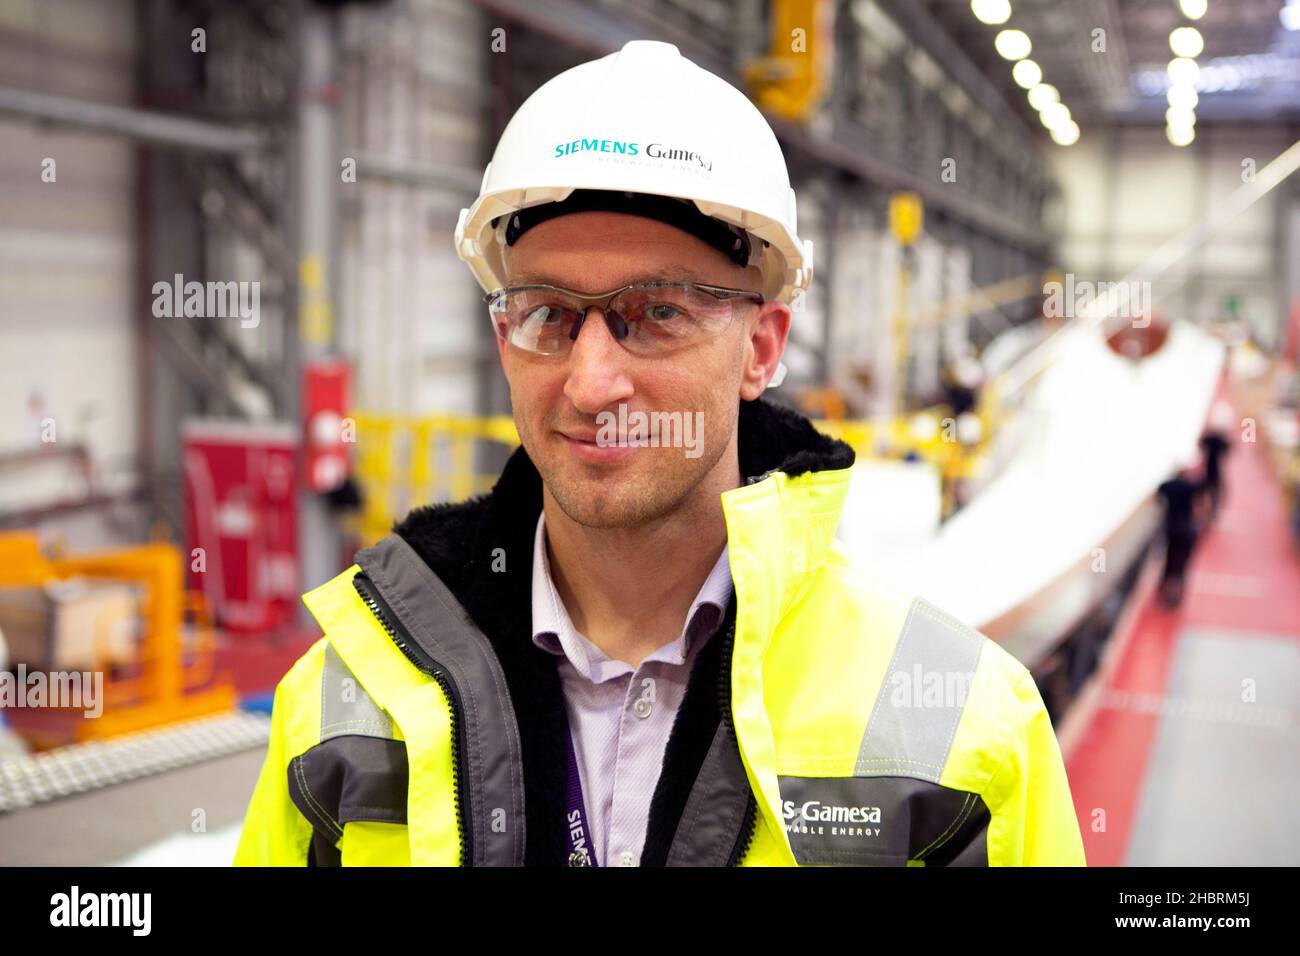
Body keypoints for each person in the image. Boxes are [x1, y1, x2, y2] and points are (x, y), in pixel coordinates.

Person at [234, 40, 1084, 867]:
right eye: (546, 314)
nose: (590, 383)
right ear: (503, 338)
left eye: (657, 313)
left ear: (760, 348)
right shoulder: (343, 704)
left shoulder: (966, 733)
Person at [1155, 454, 1204, 608]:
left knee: (1170, 562)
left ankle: (1164, 594)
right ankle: (1176, 596)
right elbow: (1200, 505)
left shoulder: (1167, 485)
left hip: (1171, 529)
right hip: (1187, 530)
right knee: (1181, 565)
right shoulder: (1191, 487)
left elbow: (1157, 500)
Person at [1199, 402, 1234, 525]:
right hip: (1215, 469)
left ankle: (1209, 512)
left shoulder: (1210, 438)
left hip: (1209, 468)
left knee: (1211, 490)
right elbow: (1229, 449)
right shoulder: (1221, 440)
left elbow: (1201, 443)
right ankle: (1212, 512)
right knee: (1215, 491)